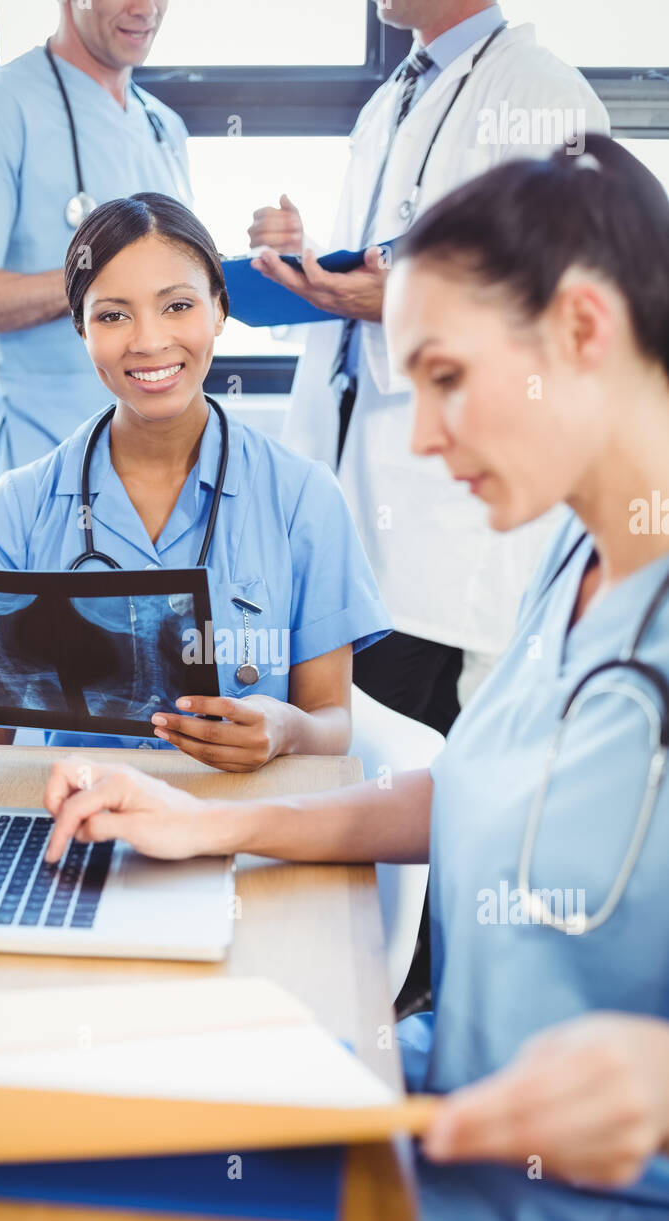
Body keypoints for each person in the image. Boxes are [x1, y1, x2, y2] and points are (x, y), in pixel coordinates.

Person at [37, 139, 669, 1221]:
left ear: (579, 329)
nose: (421, 438)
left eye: (440, 375)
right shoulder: (579, 555)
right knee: (54, 1143)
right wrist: (209, 825)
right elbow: (468, 789)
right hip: (430, 1110)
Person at [0, 195, 389, 770]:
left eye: (177, 305)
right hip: (85, 828)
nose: (148, 341)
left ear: (220, 308)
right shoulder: (19, 508)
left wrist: (286, 729)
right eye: (113, 315)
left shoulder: (303, 497)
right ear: (82, 329)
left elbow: (332, 721)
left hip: (247, 826)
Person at [249, 0, 610, 735]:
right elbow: (381, 268)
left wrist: (406, 301)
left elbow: (566, 308)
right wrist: (306, 264)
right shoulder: (392, 100)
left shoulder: (544, 95)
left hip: (451, 531)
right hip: (364, 506)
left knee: (416, 776)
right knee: (360, 758)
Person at [0, 0, 192, 514]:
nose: (146, 9)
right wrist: (98, 279)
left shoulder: (164, 128)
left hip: (151, 474)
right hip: (36, 470)